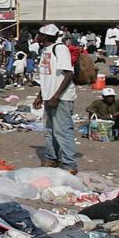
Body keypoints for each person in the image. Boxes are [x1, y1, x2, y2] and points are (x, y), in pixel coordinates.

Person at [31, 24, 78, 171]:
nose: (36, 36)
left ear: (44, 36)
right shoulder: (46, 50)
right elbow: (46, 76)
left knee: (62, 131)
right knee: (50, 130)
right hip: (48, 96)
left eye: (38, 34)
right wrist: (40, 95)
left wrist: (56, 96)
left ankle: (69, 164)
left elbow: (69, 73)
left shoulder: (60, 49)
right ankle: (52, 158)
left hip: (61, 98)